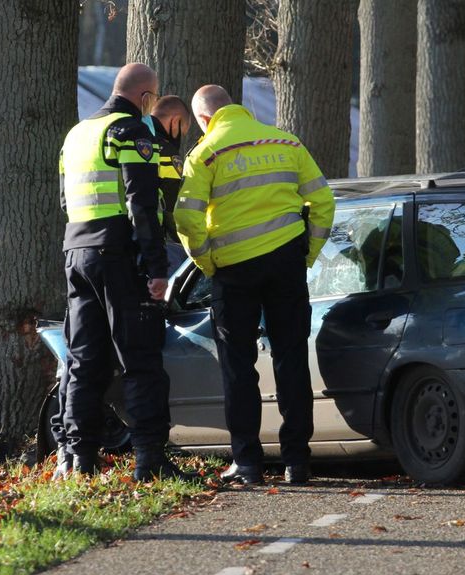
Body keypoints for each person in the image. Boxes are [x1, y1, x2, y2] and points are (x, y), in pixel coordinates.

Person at [174, 85, 335, 485]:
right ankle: (297, 462)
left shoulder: (205, 154)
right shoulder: (286, 142)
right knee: (291, 359)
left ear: (204, 119)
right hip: (286, 264)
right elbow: (323, 201)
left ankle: (248, 464)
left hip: (234, 271)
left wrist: (208, 262)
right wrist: (307, 254)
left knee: (238, 367)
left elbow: (187, 218)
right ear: (235, 108)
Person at [57, 62, 195, 481]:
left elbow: (65, 201)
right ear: (146, 98)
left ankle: (79, 459)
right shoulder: (130, 131)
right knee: (141, 360)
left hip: (76, 252)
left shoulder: (77, 134)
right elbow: (141, 203)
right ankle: (149, 460)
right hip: (118, 255)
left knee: (84, 360)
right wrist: (157, 268)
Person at [149, 95, 191, 245]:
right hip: (150, 237)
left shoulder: (132, 138)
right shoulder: (167, 152)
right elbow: (172, 211)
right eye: (182, 133)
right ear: (175, 121)